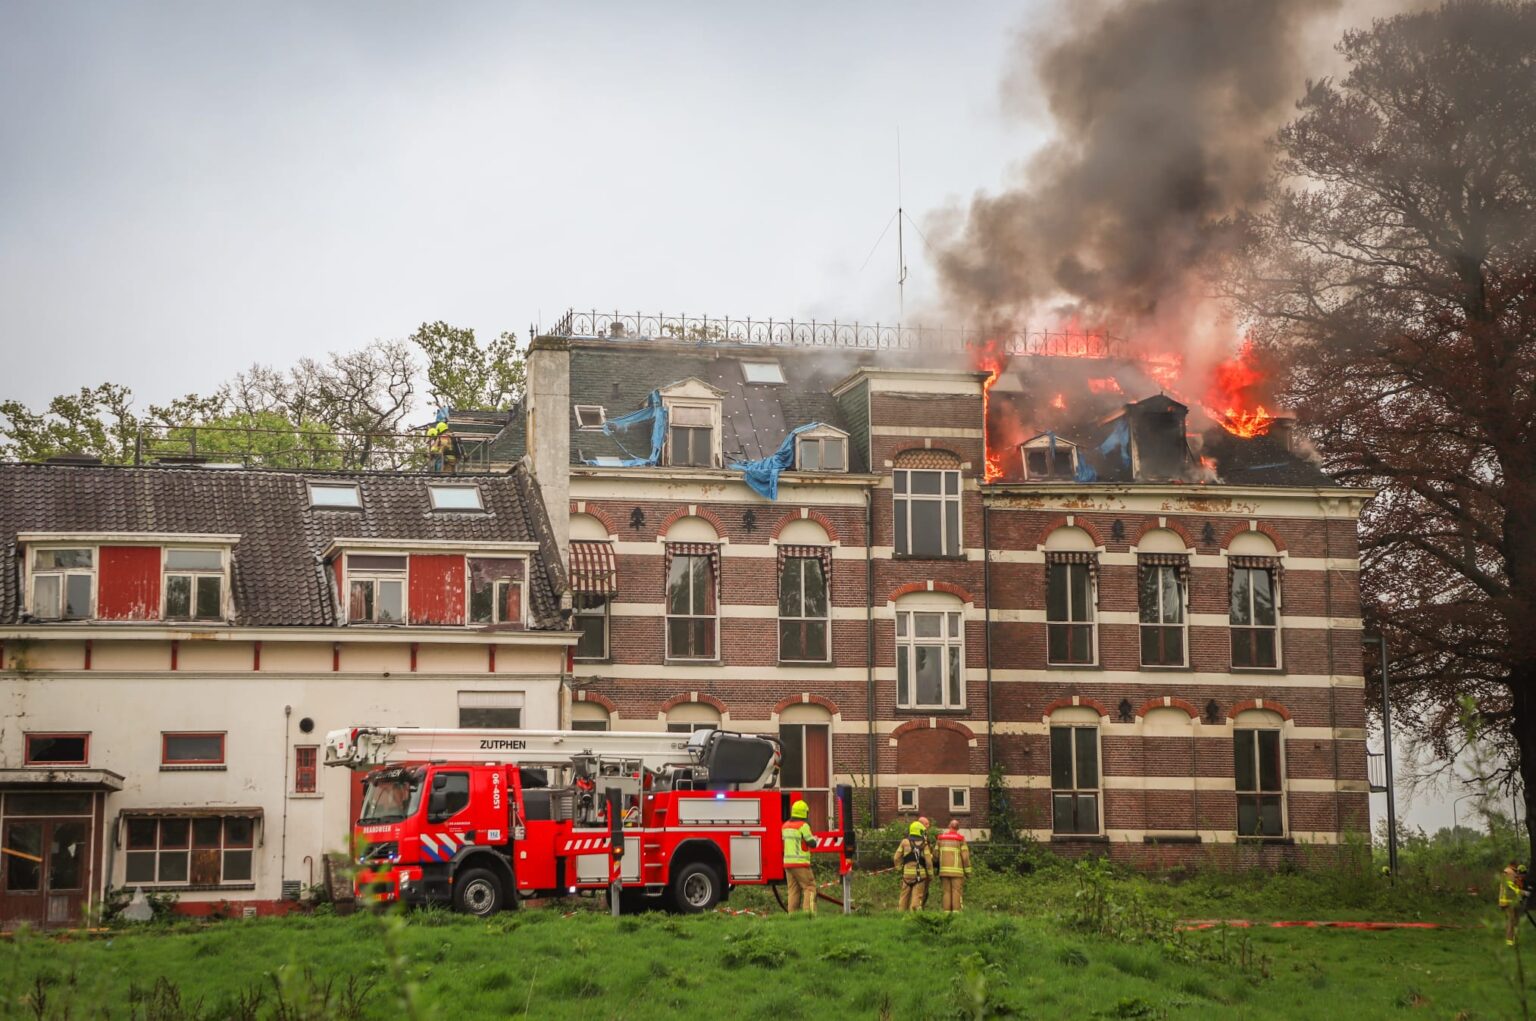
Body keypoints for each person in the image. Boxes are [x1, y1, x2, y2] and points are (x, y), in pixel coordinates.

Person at [782, 799, 818, 914]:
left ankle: (792, 916)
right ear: (804, 813)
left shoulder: (785, 826)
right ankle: (810, 914)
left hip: (788, 864)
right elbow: (811, 843)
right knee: (810, 887)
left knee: (793, 890)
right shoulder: (803, 826)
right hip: (800, 864)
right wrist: (814, 839)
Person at [893, 820, 932, 912]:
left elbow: (896, 858)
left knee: (903, 897)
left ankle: (900, 915)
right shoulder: (924, 844)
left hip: (906, 876)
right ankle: (914, 917)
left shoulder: (904, 842)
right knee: (917, 898)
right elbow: (929, 862)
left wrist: (899, 868)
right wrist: (930, 875)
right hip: (920, 877)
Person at [936, 820, 973, 913]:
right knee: (956, 892)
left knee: (946, 892)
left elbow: (935, 854)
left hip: (943, 871)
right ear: (958, 828)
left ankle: (946, 913)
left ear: (949, 826)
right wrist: (968, 872)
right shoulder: (961, 839)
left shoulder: (940, 838)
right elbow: (965, 857)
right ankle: (956, 914)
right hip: (957, 872)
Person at [1502, 859, 1526, 946]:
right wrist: (1521, 892)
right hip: (1509, 901)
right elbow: (1510, 886)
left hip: (1508, 900)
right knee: (1512, 921)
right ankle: (1510, 942)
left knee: (1514, 921)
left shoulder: (1508, 871)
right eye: (1517, 864)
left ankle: (1513, 940)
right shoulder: (1511, 872)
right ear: (1514, 864)